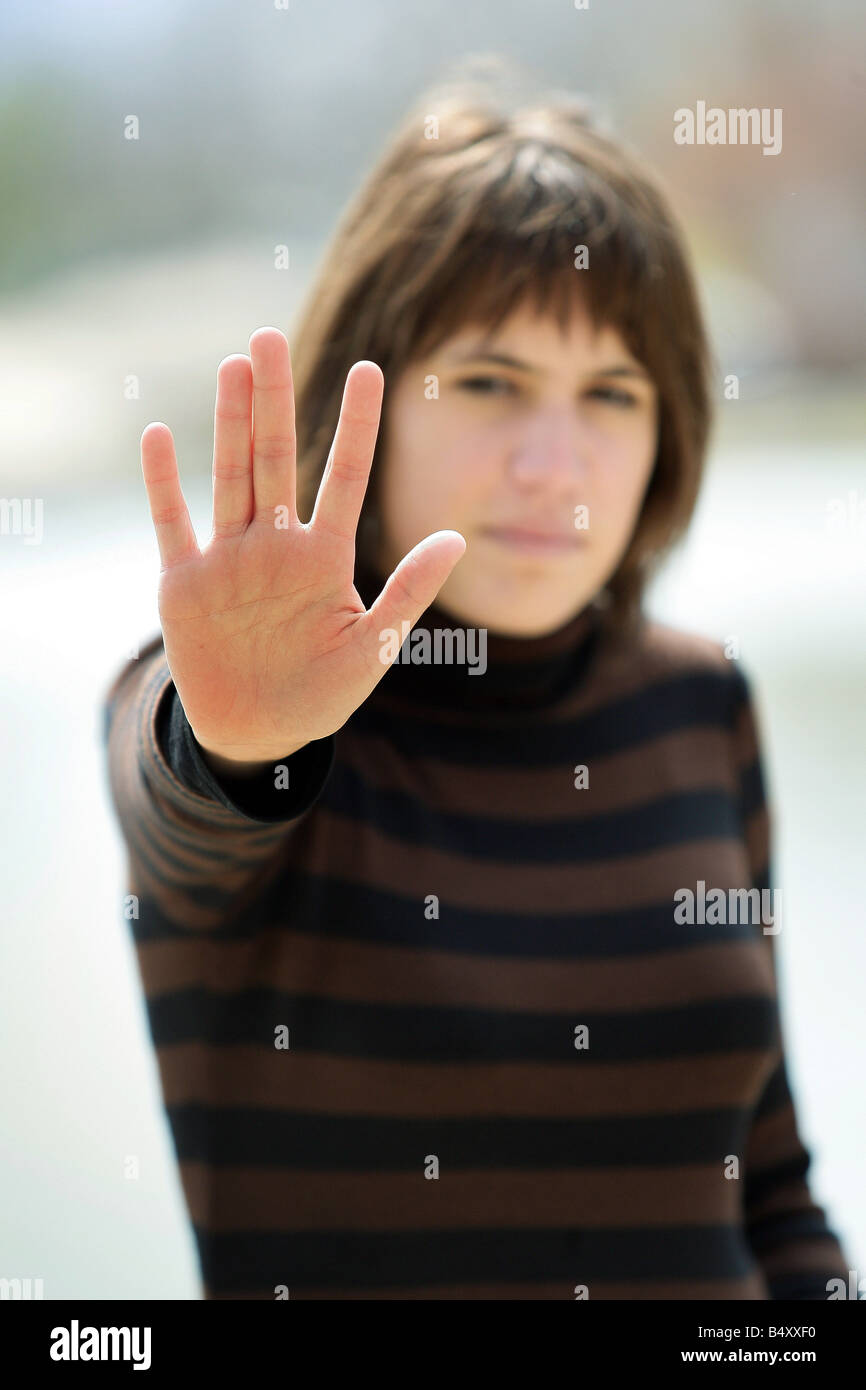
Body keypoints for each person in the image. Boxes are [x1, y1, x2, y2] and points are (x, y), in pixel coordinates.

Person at [102, 71, 851, 1300]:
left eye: (610, 394)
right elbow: (187, 802)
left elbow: (769, 1183)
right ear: (365, 402)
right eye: (490, 382)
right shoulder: (234, 707)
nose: (553, 463)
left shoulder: (701, 702)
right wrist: (243, 742)